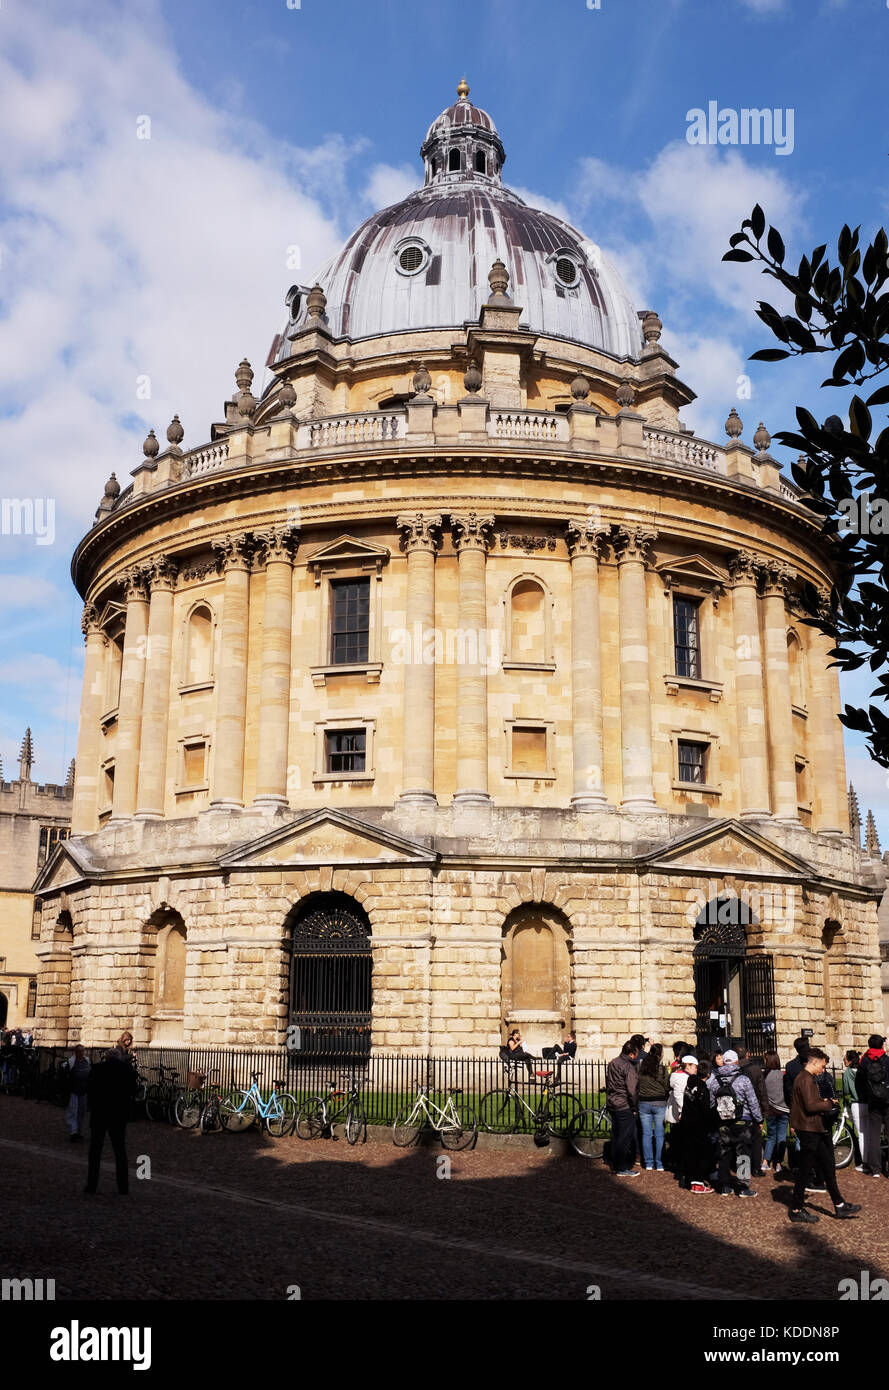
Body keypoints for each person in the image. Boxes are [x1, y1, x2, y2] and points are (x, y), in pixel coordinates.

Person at [788, 1047, 861, 1223]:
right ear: (814, 1062)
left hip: (814, 1128)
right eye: (822, 1065)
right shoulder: (805, 1079)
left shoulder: (807, 1078)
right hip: (809, 1129)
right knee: (805, 1170)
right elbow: (811, 1106)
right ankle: (796, 1209)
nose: (823, 1069)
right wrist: (829, 1103)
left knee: (828, 1166)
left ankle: (840, 1205)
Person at [706, 1048, 762, 1197]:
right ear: (736, 1061)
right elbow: (752, 1101)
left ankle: (724, 1185)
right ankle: (743, 1187)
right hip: (743, 1121)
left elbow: (711, 1103)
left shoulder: (715, 1081)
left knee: (724, 1153)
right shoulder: (743, 1079)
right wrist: (758, 1119)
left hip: (723, 1121)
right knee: (743, 1154)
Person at [85, 1048, 138, 1195]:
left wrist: (94, 1106)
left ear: (106, 1058)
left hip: (100, 1114)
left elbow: (90, 1090)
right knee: (120, 1151)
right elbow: (133, 1091)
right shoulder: (127, 1069)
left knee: (95, 1151)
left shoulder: (97, 1068)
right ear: (119, 1057)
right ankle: (123, 1187)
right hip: (118, 1115)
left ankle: (91, 1185)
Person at [677, 1059, 715, 1192]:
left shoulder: (690, 1084)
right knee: (700, 1154)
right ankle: (697, 1183)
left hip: (687, 1122)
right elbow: (705, 1111)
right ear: (708, 1075)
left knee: (689, 1152)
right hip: (698, 1125)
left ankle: (689, 1179)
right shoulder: (703, 1089)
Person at [856, 1033, 889, 1177]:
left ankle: (875, 1169)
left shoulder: (864, 1061)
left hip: (872, 1101)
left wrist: (867, 1096)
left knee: (874, 1136)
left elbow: (860, 1082)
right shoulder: (887, 1060)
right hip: (887, 1100)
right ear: (882, 1045)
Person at [605, 1040, 640, 1176]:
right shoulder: (628, 1066)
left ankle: (615, 1164)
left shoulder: (613, 1062)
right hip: (623, 1104)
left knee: (616, 1135)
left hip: (612, 1102)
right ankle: (621, 1167)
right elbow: (632, 1090)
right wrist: (634, 1106)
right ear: (631, 1054)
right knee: (624, 1138)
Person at [637, 1042, 670, 1171]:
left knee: (646, 1134)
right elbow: (667, 1086)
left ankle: (649, 1162)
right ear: (660, 1054)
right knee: (659, 1134)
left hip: (644, 1103)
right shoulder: (661, 1069)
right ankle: (659, 1163)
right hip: (660, 1103)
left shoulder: (641, 1068)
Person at [737, 1046, 768, 1176]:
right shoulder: (755, 1069)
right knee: (756, 1140)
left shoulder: (735, 1069)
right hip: (754, 1109)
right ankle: (756, 1168)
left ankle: (743, 1170)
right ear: (748, 1054)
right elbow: (762, 1091)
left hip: (739, 1110)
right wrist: (764, 1111)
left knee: (741, 1142)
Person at [762, 1051, 790, 1174]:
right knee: (781, 1137)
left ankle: (765, 1161)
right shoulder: (783, 1075)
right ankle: (778, 1163)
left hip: (771, 1110)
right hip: (783, 1110)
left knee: (771, 1137)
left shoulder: (765, 1076)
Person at [842, 1049, 867, 1171]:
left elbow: (846, 1090)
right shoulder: (862, 1070)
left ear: (850, 1060)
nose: (844, 1061)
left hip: (856, 1104)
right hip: (868, 1104)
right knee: (870, 1134)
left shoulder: (848, 1073)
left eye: (845, 1059)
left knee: (861, 1135)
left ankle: (865, 1163)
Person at [64, 1045, 91, 1142]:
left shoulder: (87, 1060)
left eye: (83, 1051)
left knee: (81, 1112)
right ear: (76, 1052)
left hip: (83, 1090)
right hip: (74, 1090)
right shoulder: (71, 1062)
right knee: (73, 1111)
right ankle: (73, 1131)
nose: (81, 1053)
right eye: (79, 1051)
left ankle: (79, 1131)